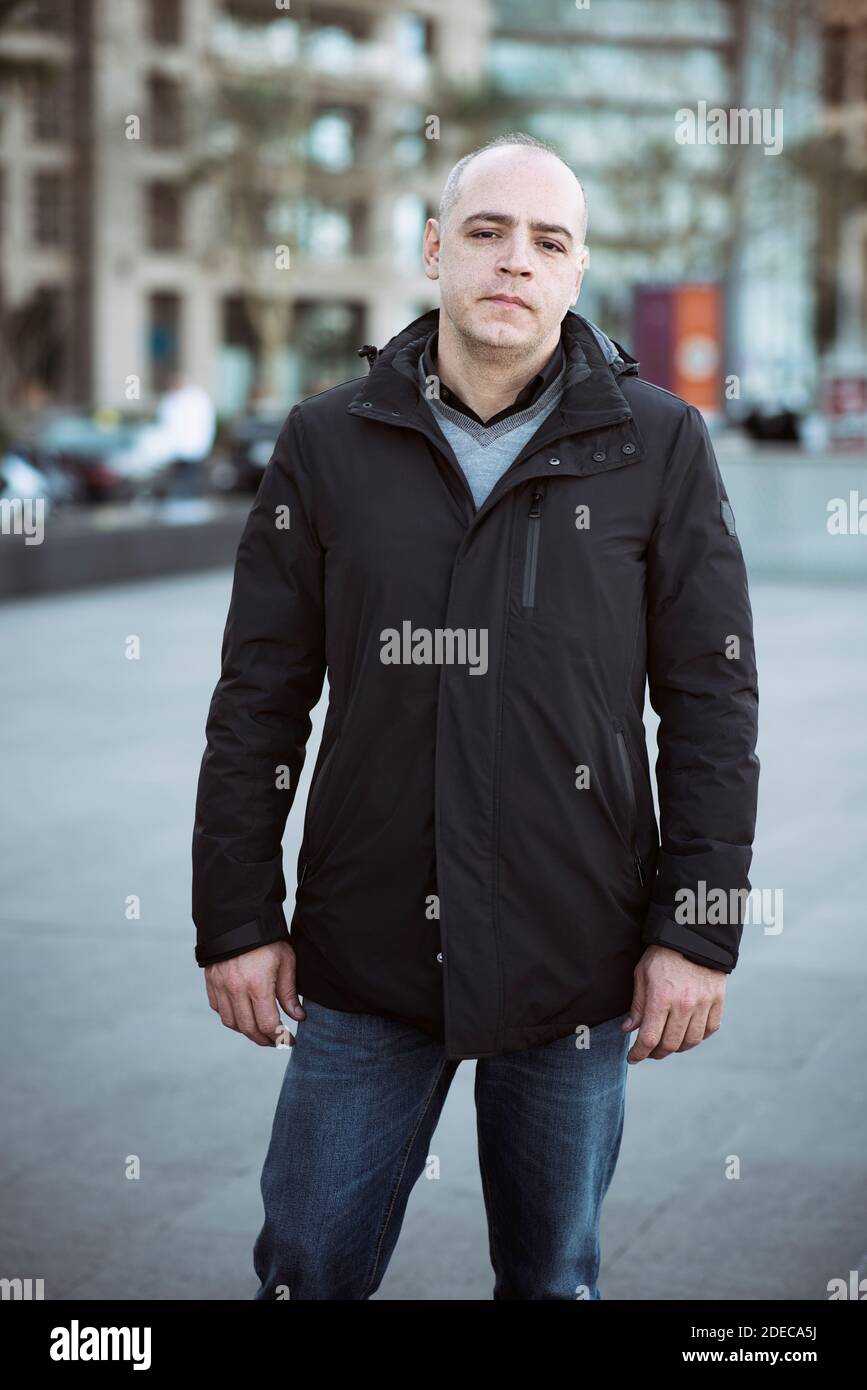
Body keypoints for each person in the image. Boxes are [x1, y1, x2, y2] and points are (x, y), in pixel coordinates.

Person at [191, 132, 760, 1300]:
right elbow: (258, 698)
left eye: (548, 241)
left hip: (576, 954)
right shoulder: (326, 440)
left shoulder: (659, 446)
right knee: (305, 1269)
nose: (516, 260)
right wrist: (236, 915)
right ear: (435, 249)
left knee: (553, 1282)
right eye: (490, 231)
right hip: (367, 951)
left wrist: (697, 931)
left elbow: (711, 699)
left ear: (576, 273)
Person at [155, 371, 216, 503]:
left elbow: (203, 423)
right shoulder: (172, 398)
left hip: (193, 447)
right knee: (180, 479)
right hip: (178, 449)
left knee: (190, 479)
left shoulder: (196, 398)